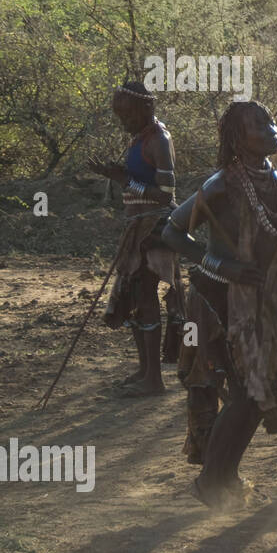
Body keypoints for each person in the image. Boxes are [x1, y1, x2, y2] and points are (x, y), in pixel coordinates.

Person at [162, 100, 277, 509]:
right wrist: (224, 265)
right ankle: (210, 483)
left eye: (272, 119)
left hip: (258, 302)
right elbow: (169, 231)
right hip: (220, 299)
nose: (272, 128)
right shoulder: (222, 183)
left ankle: (225, 477)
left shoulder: (272, 178)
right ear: (239, 137)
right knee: (245, 393)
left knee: (256, 393)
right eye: (260, 124)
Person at [88, 80, 184, 397]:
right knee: (136, 297)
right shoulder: (139, 138)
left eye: (127, 115)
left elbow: (166, 195)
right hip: (137, 227)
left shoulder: (159, 139)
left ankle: (154, 379)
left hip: (155, 228)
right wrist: (115, 174)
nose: (123, 122)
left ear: (147, 108)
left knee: (145, 296)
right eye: (120, 116)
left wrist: (123, 178)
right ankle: (145, 372)